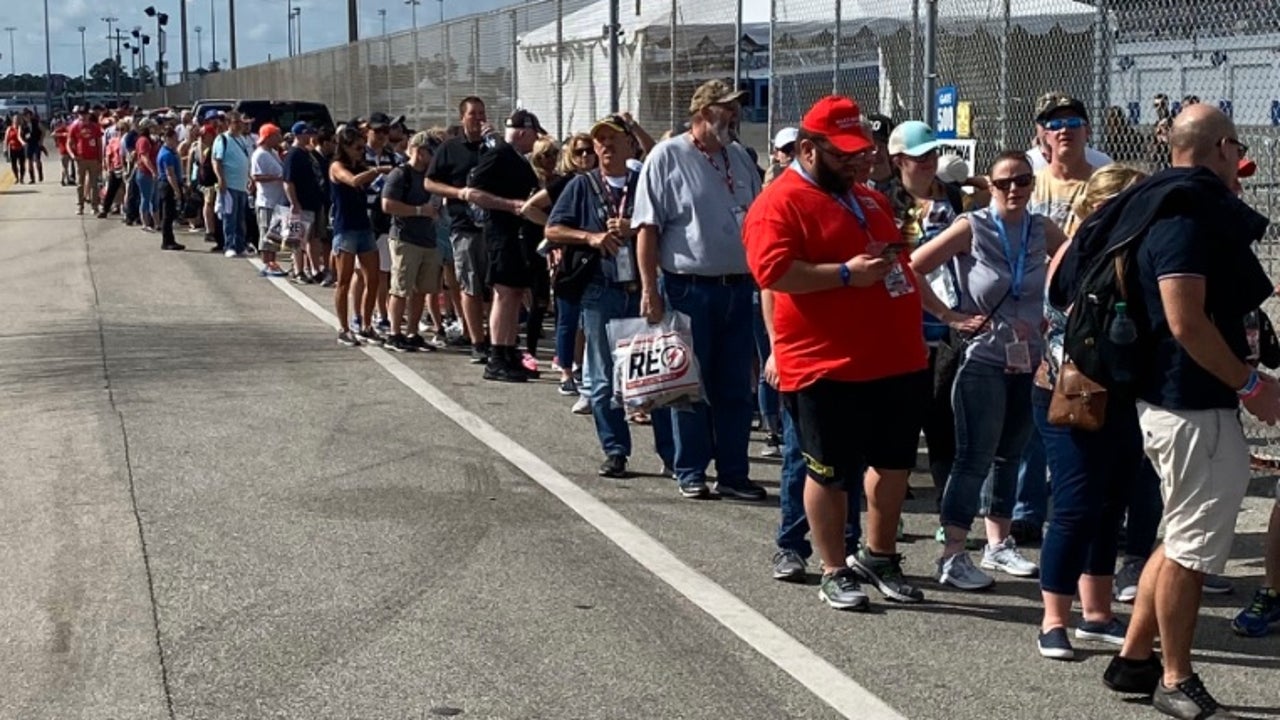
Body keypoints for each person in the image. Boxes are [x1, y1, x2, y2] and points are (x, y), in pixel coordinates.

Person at [1069, 103, 1277, 719]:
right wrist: (1249, 386)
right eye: (1235, 152)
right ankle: (1175, 677)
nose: (1240, 169)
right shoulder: (1185, 215)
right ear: (1218, 147)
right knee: (1190, 551)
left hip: (1179, 401)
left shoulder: (1164, 201)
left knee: (1179, 535)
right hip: (1192, 404)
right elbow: (1185, 321)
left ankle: (1134, 659)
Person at [745, 95, 929, 608]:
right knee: (828, 469)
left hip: (895, 359)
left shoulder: (868, 198)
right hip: (824, 361)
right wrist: (845, 275)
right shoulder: (779, 203)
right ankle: (831, 566)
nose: (857, 162)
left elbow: (896, 261)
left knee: (894, 466)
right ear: (808, 150)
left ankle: (878, 554)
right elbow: (773, 273)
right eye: (844, 154)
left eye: (862, 153)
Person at [910, 151, 1067, 591]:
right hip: (981, 359)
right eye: (1004, 183)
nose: (1014, 189)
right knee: (973, 456)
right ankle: (952, 552)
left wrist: (1054, 313)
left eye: (1022, 181)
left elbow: (1076, 263)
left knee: (1011, 453)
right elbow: (913, 267)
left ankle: (998, 544)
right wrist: (951, 315)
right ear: (990, 187)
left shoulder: (1041, 229)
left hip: (1029, 360)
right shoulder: (973, 227)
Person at [1032, 164, 1147, 661]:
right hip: (1071, 393)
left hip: (1118, 395)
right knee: (1076, 505)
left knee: (1110, 503)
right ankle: (1053, 618)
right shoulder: (1082, 252)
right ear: (1104, 207)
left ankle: (1096, 613)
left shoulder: (1124, 253)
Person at [633, 78, 766, 501]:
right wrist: (649, 288)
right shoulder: (666, 157)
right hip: (688, 287)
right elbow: (647, 229)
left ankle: (733, 472)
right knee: (687, 383)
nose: (734, 116)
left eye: (736, 109)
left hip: (738, 288)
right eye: (726, 109)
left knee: (735, 387)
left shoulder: (740, 158)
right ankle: (690, 469)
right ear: (702, 114)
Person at [546, 114, 676, 478]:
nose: (604, 146)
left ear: (629, 145)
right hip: (600, 290)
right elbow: (553, 227)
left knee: (655, 377)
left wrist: (634, 228)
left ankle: (671, 455)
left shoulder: (644, 181)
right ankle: (615, 449)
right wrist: (591, 237)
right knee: (603, 378)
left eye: (612, 140)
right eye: (599, 140)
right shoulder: (581, 185)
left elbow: (668, 223)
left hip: (643, 289)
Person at [466, 109, 546, 382]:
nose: (537, 141)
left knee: (514, 293)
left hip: (518, 235)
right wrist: (509, 205)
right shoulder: (499, 154)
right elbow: (473, 191)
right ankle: (497, 356)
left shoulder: (516, 158)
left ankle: (509, 349)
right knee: (504, 293)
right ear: (523, 133)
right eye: (535, 135)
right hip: (502, 233)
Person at [425, 97, 495, 363]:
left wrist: (498, 143)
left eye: (482, 113)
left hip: (494, 225)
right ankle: (477, 340)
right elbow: (430, 183)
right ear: (462, 117)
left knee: (495, 287)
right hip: (464, 226)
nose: (478, 118)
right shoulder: (450, 148)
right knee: (470, 284)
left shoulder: (493, 147)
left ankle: (495, 338)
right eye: (473, 114)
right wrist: (459, 193)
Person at [381, 131, 443, 353]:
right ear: (419, 151)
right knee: (400, 288)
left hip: (428, 238)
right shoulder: (400, 174)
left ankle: (412, 332)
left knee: (421, 289)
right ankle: (394, 333)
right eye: (430, 153)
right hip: (405, 239)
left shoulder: (431, 176)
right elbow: (387, 205)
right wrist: (419, 210)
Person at [212, 111, 255, 257]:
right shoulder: (222, 139)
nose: (239, 125)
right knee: (229, 217)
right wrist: (221, 179)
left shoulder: (242, 139)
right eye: (236, 122)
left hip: (241, 185)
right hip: (229, 185)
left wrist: (250, 178)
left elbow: (245, 161)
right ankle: (229, 245)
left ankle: (240, 245)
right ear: (229, 123)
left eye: (240, 122)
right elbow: (216, 161)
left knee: (240, 218)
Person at [251, 123, 288, 276]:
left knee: (274, 235)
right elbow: (256, 176)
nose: (279, 138)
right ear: (268, 137)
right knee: (266, 233)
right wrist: (277, 178)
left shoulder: (272, 152)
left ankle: (273, 262)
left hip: (277, 201)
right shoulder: (260, 154)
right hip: (266, 201)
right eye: (276, 135)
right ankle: (266, 263)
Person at [154, 126, 187, 251]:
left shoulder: (171, 152)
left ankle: (170, 239)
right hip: (167, 185)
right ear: (167, 139)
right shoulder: (166, 154)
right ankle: (167, 241)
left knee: (170, 213)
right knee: (167, 214)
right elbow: (170, 174)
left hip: (171, 184)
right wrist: (177, 190)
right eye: (173, 139)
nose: (176, 141)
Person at [67, 107, 105, 216]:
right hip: (81, 158)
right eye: (81, 114)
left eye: (85, 114)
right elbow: (69, 142)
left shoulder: (94, 127)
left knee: (94, 184)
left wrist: (100, 159)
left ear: (88, 115)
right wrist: (72, 155)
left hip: (93, 159)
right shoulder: (75, 127)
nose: (83, 116)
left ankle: (94, 206)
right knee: (80, 184)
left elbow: (99, 143)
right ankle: (80, 205)